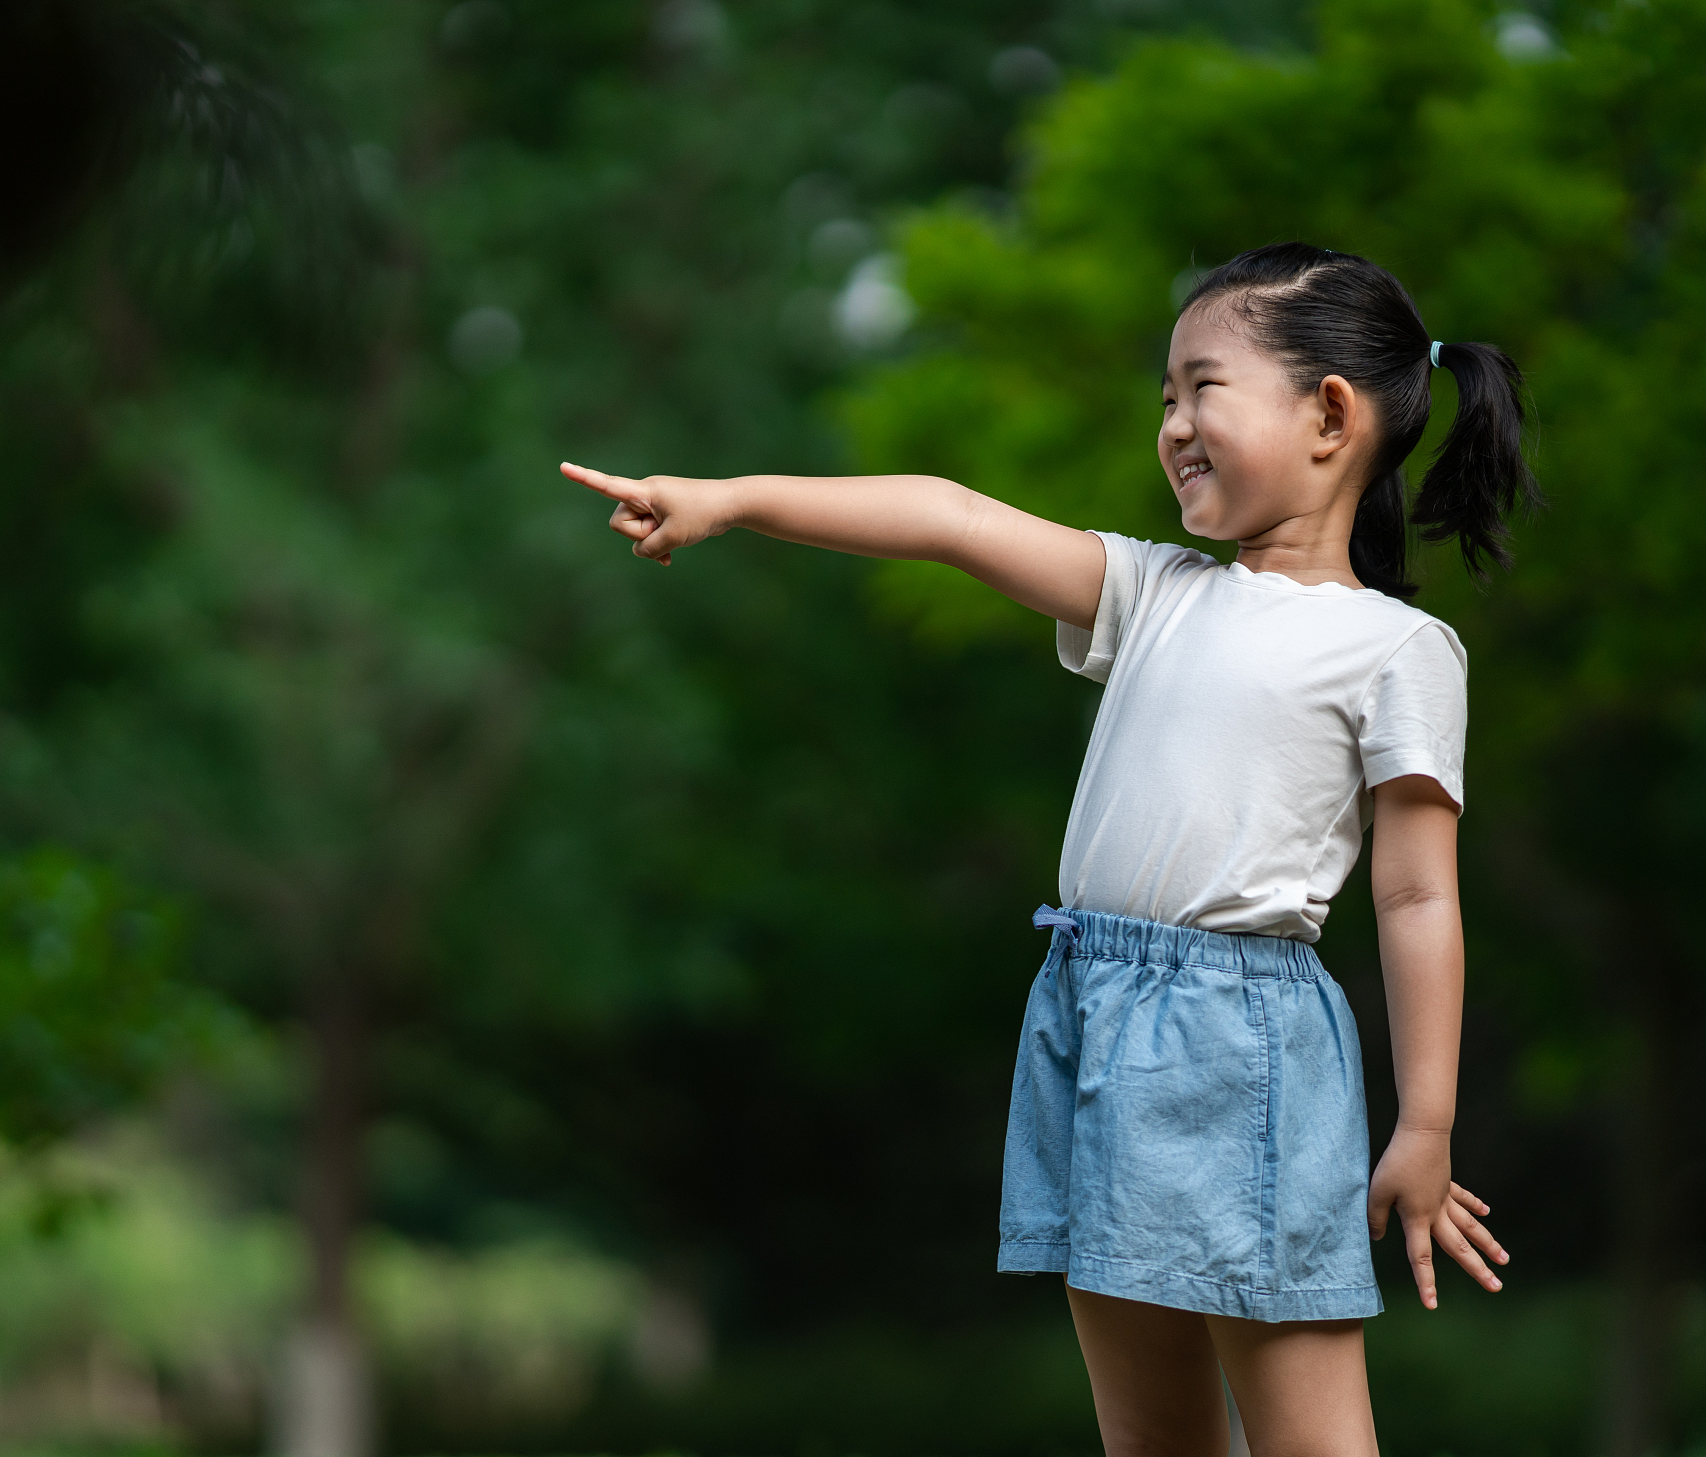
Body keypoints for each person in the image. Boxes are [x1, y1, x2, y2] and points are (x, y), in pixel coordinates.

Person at [562, 242, 1536, 1457]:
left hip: (1244, 1045)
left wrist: (1425, 1124)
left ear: (1328, 412)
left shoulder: (1395, 650)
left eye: (1201, 388)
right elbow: (951, 517)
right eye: (1164, 399)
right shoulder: (1158, 590)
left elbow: (1412, 893)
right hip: (1090, 1004)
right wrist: (735, 498)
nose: (1172, 424)